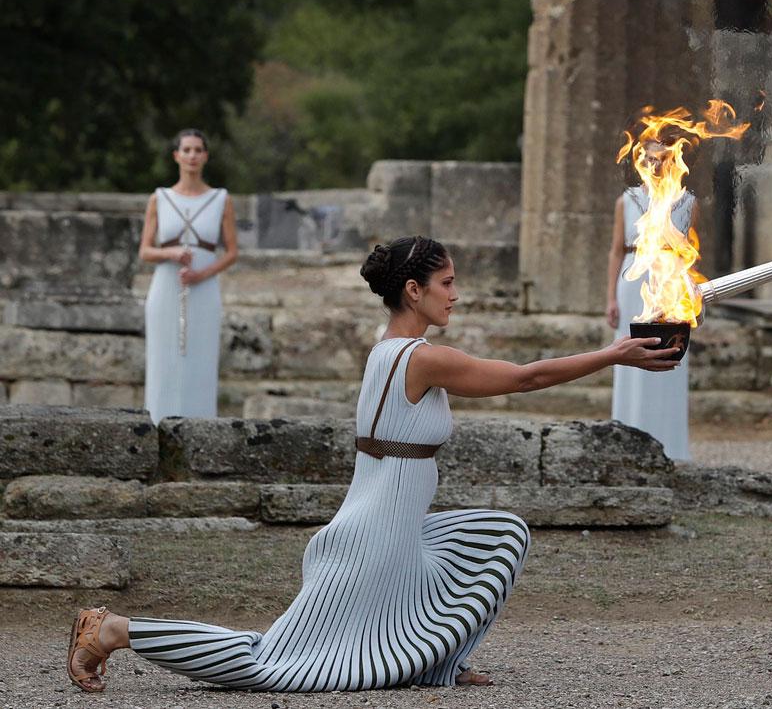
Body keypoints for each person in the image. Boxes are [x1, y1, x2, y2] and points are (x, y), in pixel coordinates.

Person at [66, 236, 680, 693]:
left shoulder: (389, 352)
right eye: (446, 283)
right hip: (374, 538)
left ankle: (435, 658)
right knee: (277, 666)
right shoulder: (417, 357)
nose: (455, 294)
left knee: (499, 533)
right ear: (413, 290)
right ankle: (113, 630)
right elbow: (527, 378)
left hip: (392, 532)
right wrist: (614, 354)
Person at [605, 140, 699, 461]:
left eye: (662, 159)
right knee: (630, 353)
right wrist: (610, 299)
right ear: (641, 162)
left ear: (672, 161)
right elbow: (617, 249)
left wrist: (692, 293)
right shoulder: (627, 200)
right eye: (650, 159)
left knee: (670, 352)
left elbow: (692, 252)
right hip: (633, 280)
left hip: (671, 279)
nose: (656, 165)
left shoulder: (686, 201)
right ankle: (627, 436)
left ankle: (669, 443)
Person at [138, 129, 239, 423]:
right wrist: (170, 254)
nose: (192, 155)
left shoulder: (221, 199)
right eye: (187, 150)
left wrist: (202, 274)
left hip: (204, 290)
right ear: (176, 156)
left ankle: (201, 432)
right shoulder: (160, 198)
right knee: (163, 364)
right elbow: (145, 250)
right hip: (166, 288)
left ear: (205, 156)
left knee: (200, 364)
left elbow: (232, 252)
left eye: (198, 150)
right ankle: (157, 427)